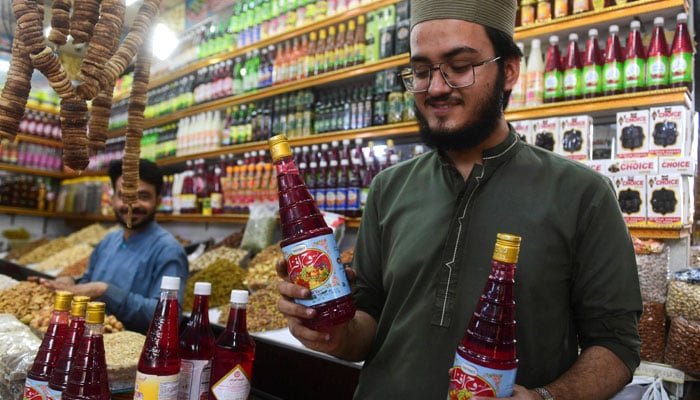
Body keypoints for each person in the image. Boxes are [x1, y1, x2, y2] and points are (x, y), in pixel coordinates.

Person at [275, 0, 643, 398]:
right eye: (420, 71)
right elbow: (370, 323)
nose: (435, 87)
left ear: (509, 70)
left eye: (461, 66)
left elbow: (617, 344)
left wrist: (546, 398)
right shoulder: (388, 187)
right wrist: (331, 331)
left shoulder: (582, 193)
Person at [40, 159, 188, 333]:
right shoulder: (108, 241)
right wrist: (71, 282)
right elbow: (88, 282)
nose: (131, 205)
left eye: (143, 196)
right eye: (125, 196)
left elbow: (167, 318)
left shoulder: (169, 250)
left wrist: (104, 291)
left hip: (131, 353)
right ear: (112, 200)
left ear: (158, 201)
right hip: (88, 339)